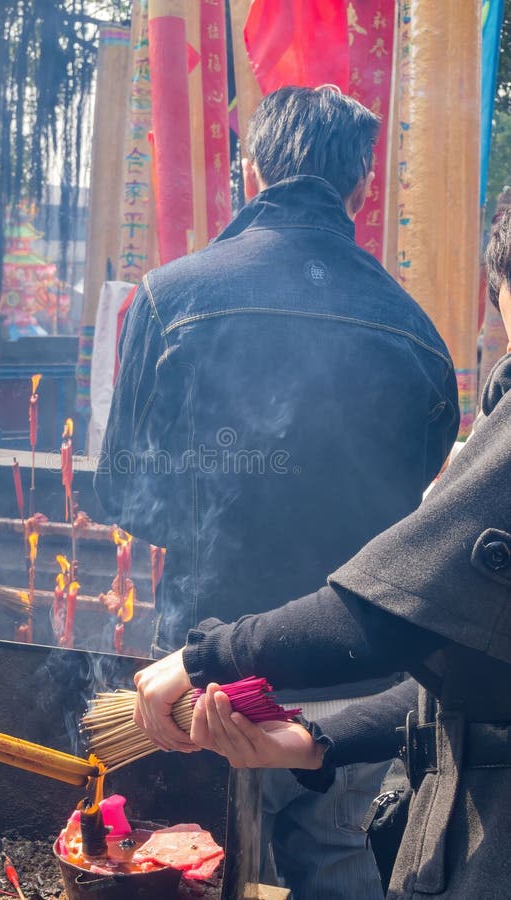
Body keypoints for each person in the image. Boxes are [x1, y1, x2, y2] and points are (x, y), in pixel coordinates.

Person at [96, 86, 459, 897]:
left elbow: (124, 495)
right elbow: (416, 511)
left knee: (199, 866)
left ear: (249, 170)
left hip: (202, 676)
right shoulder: (416, 334)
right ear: (362, 192)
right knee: (340, 869)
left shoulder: (167, 296)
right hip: (356, 689)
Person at [133, 208, 511, 899]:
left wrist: (201, 658)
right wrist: (315, 739)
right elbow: (464, 674)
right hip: (367, 703)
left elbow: (394, 615)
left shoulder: (170, 292)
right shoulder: (412, 327)